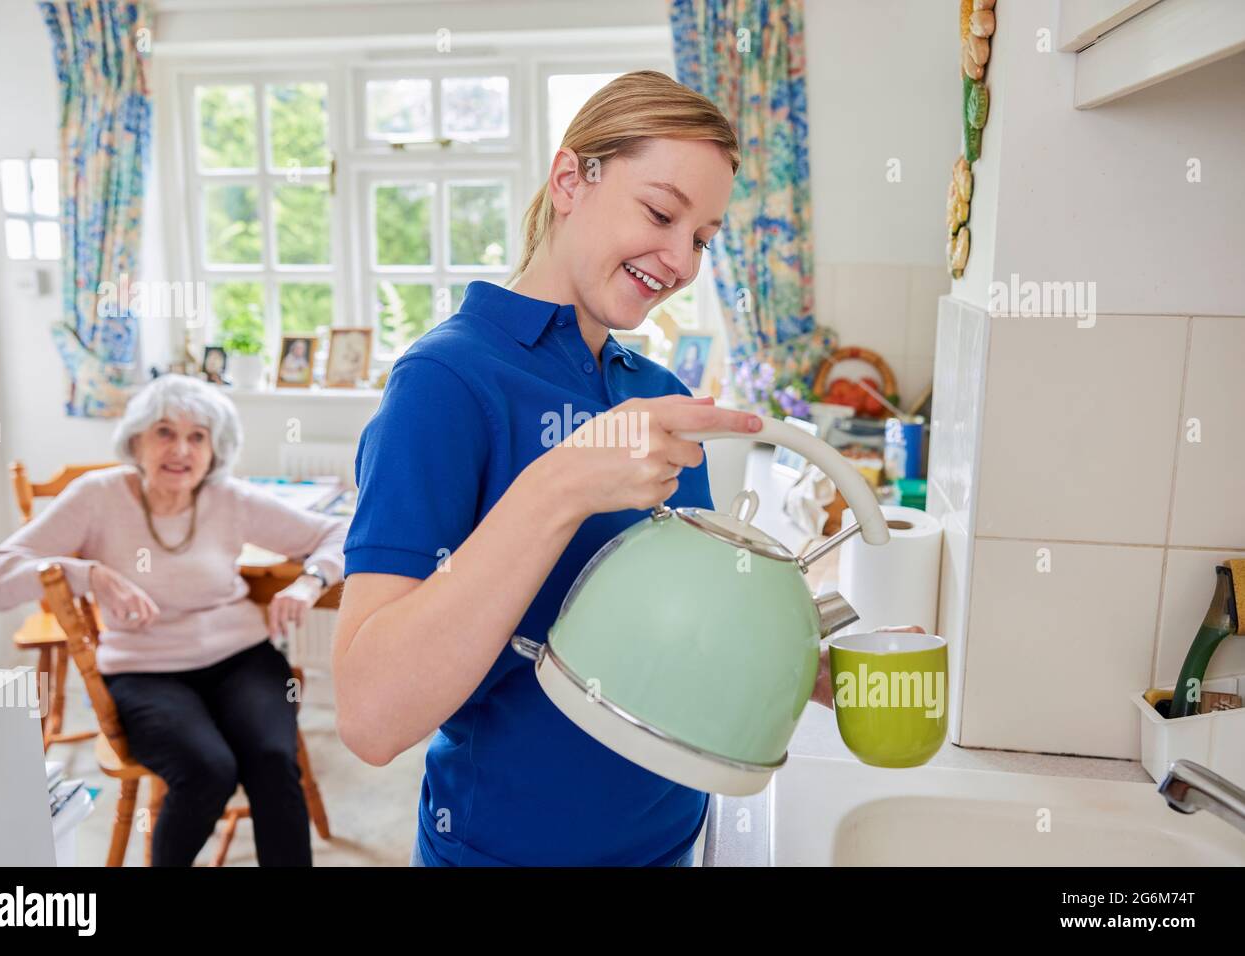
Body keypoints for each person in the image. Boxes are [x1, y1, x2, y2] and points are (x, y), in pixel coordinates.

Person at [332, 70, 909, 868]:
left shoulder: (657, 393)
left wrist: (818, 665)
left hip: (674, 840)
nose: (680, 261)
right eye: (661, 212)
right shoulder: (445, 384)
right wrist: (565, 483)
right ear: (571, 180)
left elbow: (698, 624)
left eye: (703, 238)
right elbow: (370, 715)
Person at [0, 375, 346, 866]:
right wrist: (89, 575)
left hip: (241, 659)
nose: (181, 450)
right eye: (165, 432)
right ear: (136, 439)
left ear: (215, 449)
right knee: (208, 768)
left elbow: (340, 532)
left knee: (273, 762)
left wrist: (309, 581)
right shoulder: (98, 496)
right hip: (144, 670)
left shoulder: (228, 498)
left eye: (198, 436)